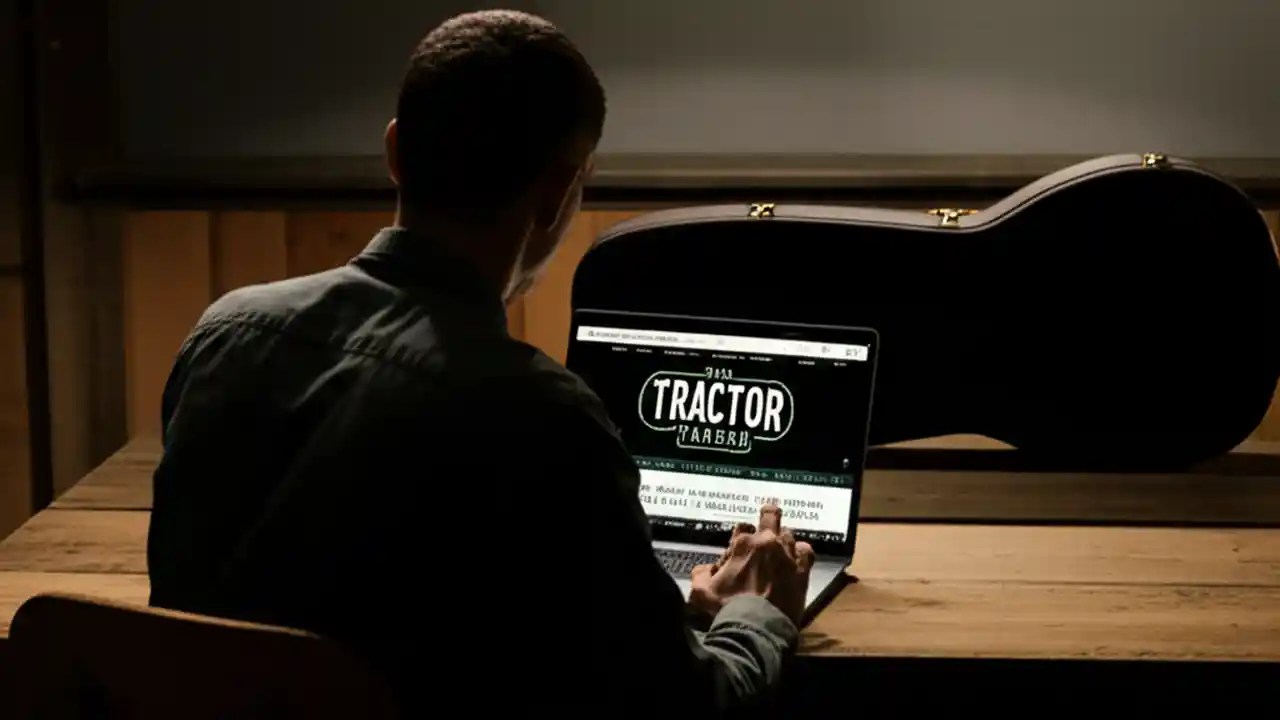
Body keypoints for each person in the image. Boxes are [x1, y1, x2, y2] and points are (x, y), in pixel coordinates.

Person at [146, 9, 813, 715]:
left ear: (396, 153)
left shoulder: (225, 336)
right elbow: (683, 708)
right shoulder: (543, 419)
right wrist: (755, 613)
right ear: (556, 192)